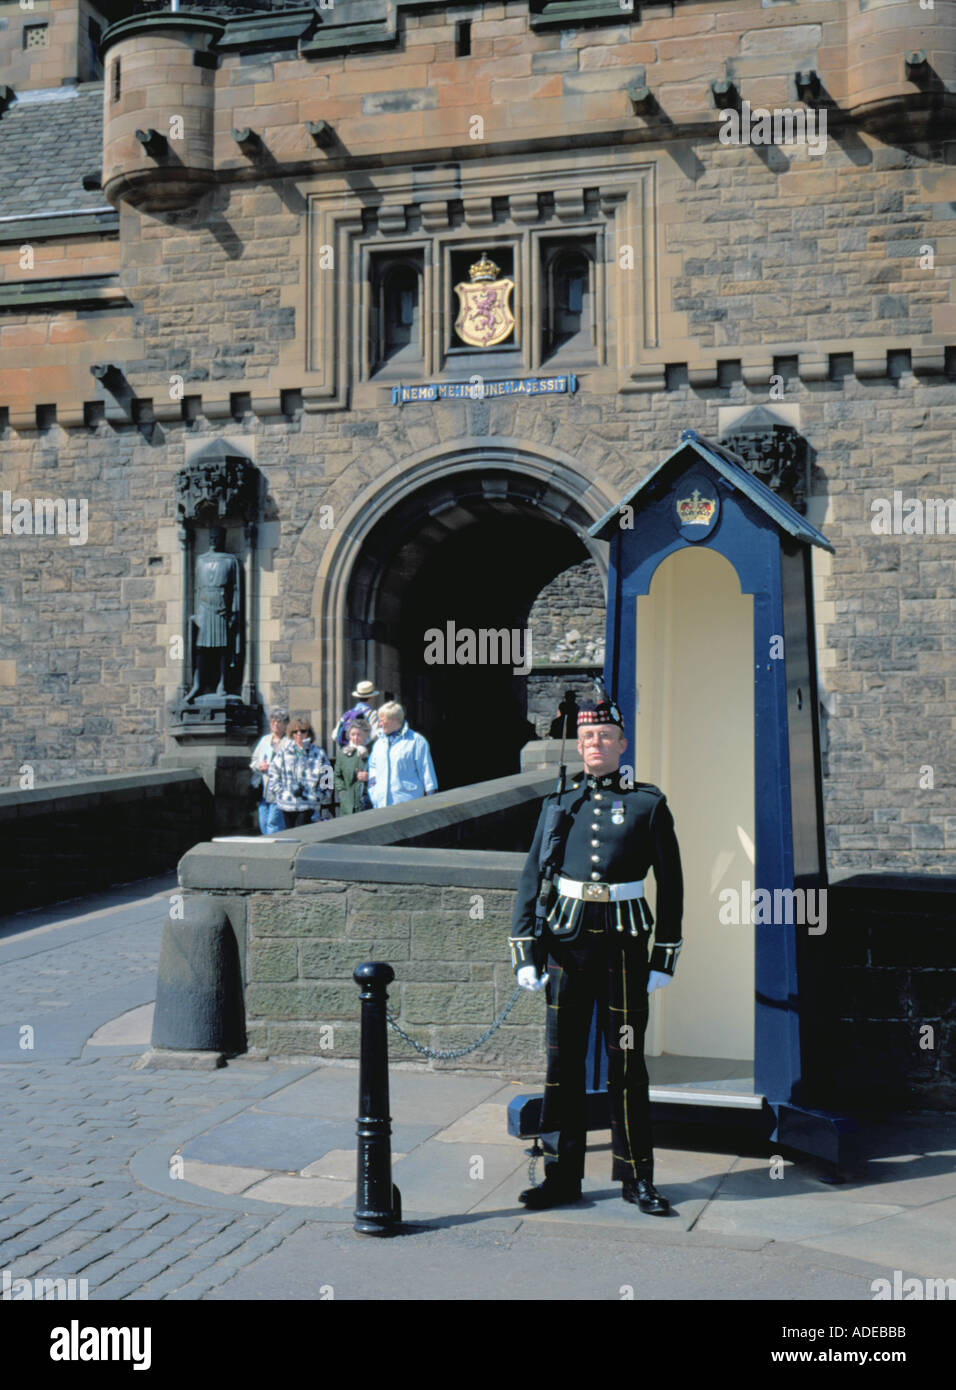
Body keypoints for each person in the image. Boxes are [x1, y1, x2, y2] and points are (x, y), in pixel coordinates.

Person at [508, 696, 684, 1216]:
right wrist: (524, 951)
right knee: (561, 1063)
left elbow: (671, 885)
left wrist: (663, 955)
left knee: (626, 1065)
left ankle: (637, 1179)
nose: (596, 745)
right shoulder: (559, 803)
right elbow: (530, 877)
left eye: (606, 737)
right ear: (579, 745)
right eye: (588, 738)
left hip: (625, 947)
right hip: (566, 944)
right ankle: (561, 1177)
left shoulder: (649, 805)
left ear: (622, 745)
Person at [366, 702, 437, 808]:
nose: (380, 724)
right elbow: (373, 768)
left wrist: (432, 798)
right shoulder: (378, 743)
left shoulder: (416, 741)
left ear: (394, 720)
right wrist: (373, 789)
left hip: (408, 805)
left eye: (382, 721)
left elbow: (426, 770)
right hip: (381, 806)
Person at [269, 716, 333, 827]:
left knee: (302, 832)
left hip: (308, 802)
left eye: (302, 731)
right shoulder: (284, 752)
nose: (299, 734)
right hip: (287, 802)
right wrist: (279, 791)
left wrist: (321, 794)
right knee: (289, 835)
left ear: (308, 733)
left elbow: (327, 775)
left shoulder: (318, 752)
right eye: (295, 731)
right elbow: (273, 771)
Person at [249, 705, 289, 834]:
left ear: (285, 724)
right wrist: (259, 766)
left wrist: (271, 768)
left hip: (279, 790)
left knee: (273, 823)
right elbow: (254, 760)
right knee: (263, 822)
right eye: (273, 721)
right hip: (263, 789)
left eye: (279, 721)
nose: (275, 724)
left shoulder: (289, 742)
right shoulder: (265, 740)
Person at [334, 718, 373, 814]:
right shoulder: (343, 753)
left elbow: (381, 773)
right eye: (353, 734)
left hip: (367, 802)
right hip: (348, 804)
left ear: (366, 734)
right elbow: (337, 775)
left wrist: (369, 776)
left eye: (359, 735)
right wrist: (342, 792)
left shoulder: (373, 751)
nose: (355, 738)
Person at [331, 680, 380, 753]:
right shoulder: (372, 714)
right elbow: (374, 735)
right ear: (371, 697)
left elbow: (335, 735)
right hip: (362, 753)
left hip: (346, 752)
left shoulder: (347, 714)